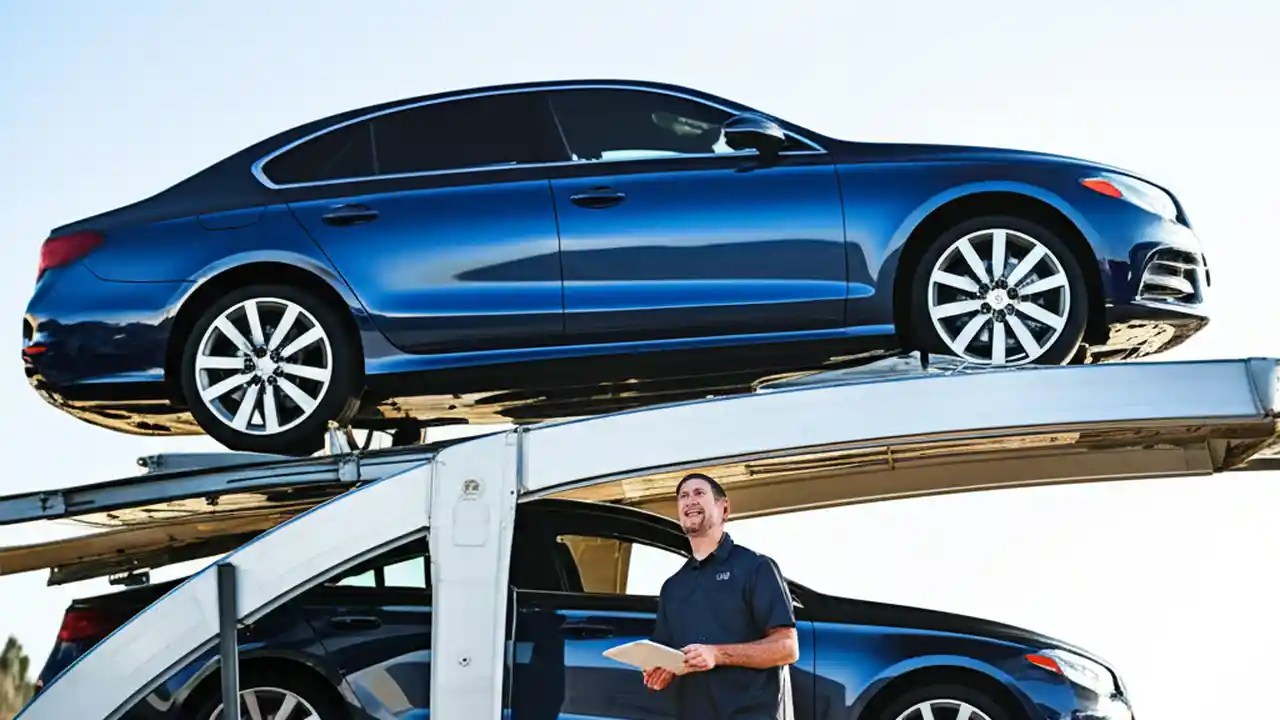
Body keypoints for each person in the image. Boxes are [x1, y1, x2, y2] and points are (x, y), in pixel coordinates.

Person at [642, 472, 799, 719]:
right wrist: (661, 671)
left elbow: (787, 648)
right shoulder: (673, 587)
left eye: (699, 493)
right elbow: (669, 655)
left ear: (724, 508)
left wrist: (716, 654)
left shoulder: (756, 568)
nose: (689, 501)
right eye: (683, 496)